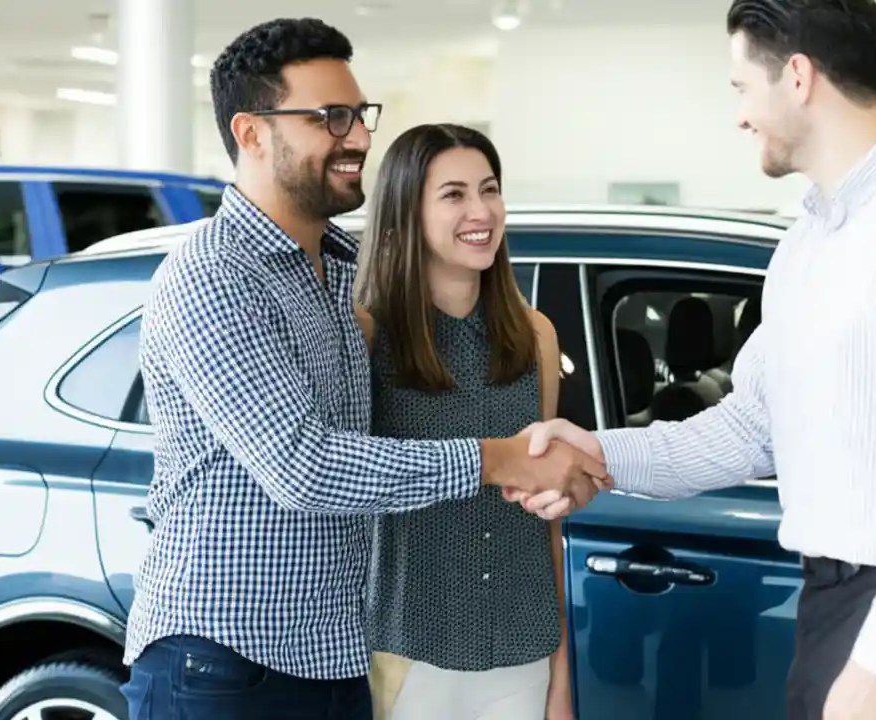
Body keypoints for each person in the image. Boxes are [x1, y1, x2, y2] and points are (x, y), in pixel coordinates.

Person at [517, 1, 876, 719]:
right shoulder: (806, 243)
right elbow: (748, 429)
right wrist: (597, 453)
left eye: (740, 87)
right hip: (832, 601)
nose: (738, 115)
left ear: (796, 76)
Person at [119, 18, 605, 720]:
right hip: (223, 663)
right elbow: (303, 467)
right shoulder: (213, 276)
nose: (358, 138)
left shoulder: (337, 274)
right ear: (251, 133)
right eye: (330, 118)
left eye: (359, 116)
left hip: (332, 660)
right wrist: (497, 460)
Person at [353, 123, 573, 720]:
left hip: (522, 653)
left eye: (490, 189)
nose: (481, 211)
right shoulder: (368, 336)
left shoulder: (535, 336)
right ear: (405, 214)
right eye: (453, 194)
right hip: (403, 654)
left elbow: (545, 517)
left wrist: (560, 674)